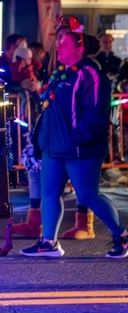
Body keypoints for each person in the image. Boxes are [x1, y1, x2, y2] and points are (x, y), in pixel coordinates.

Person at [22, 22, 128, 258]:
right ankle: (48, 242)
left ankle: (121, 236)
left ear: (79, 49)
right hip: (54, 147)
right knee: (49, 194)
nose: (58, 47)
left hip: (80, 149)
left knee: (89, 195)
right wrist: (42, 139)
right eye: (58, 42)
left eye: (64, 43)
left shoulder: (91, 75)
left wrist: (76, 139)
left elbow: (96, 115)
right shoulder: (61, 72)